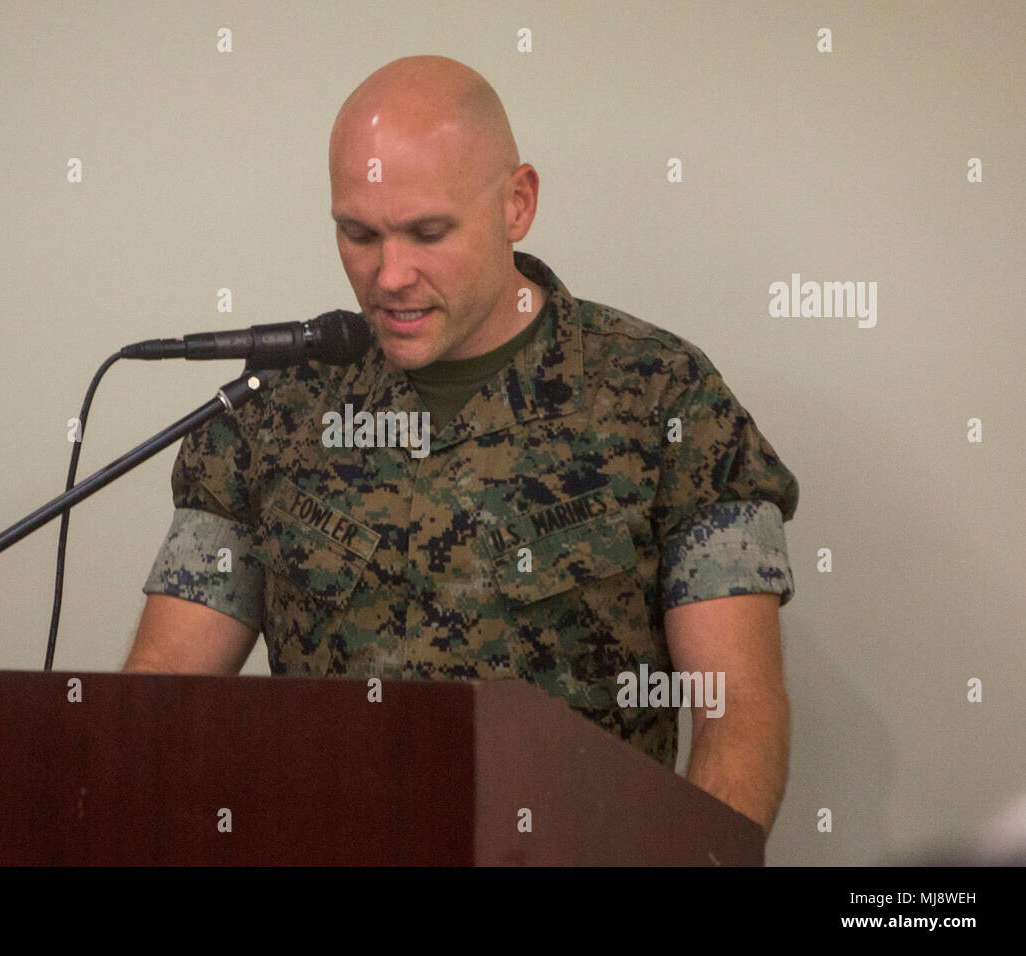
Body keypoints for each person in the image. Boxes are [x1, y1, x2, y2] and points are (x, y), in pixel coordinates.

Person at [125, 55, 799, 838]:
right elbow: (162, 697)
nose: (390, 275)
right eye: (358, 234)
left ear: (518, 203)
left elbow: (740, 708)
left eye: (428, 232)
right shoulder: (273, 408)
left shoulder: (662, 398)